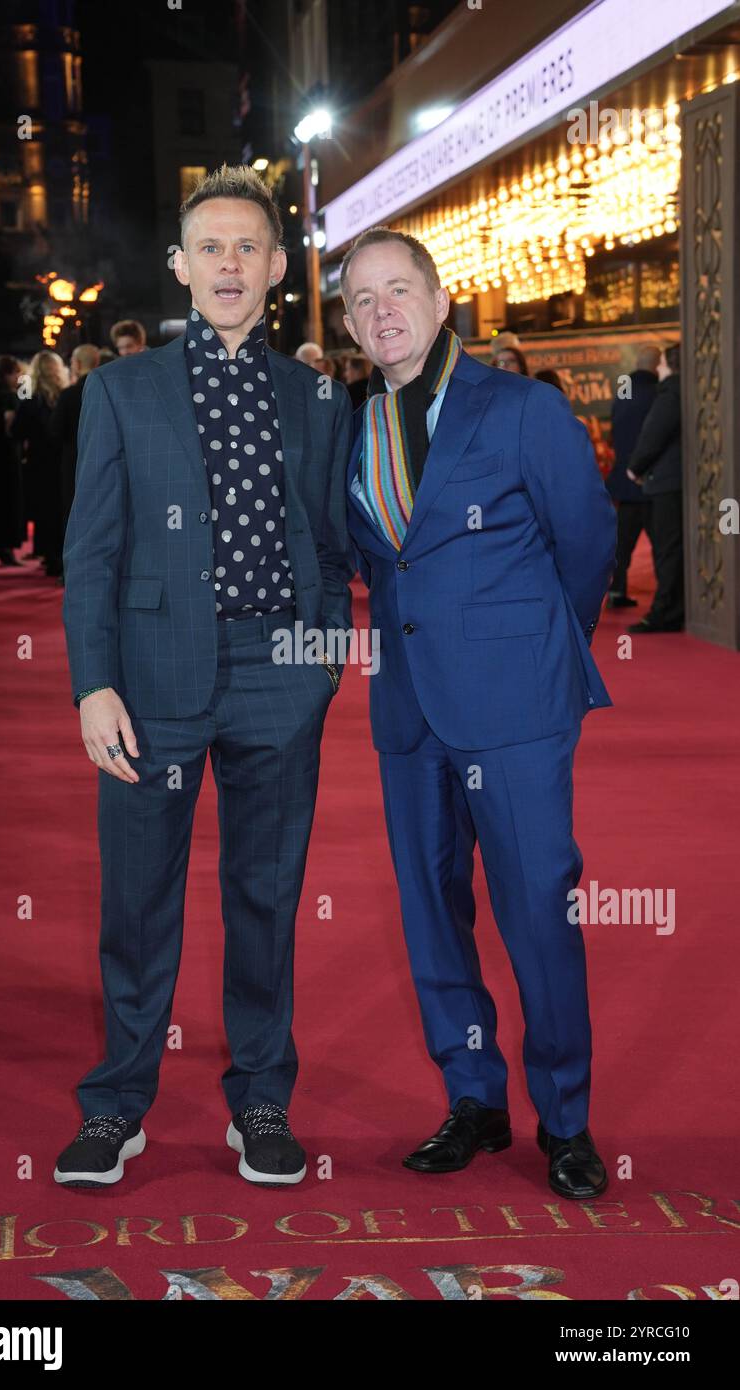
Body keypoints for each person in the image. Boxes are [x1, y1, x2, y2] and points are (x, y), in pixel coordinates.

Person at [56, 164, 353, 1191]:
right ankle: (116, 1105)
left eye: (248, 247)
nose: (230, 264)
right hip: (147, 683)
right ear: (180, 268)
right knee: (138, 900)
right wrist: (93, 683)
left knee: (266, 897)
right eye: (209, 248)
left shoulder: (317, 394)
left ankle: (261, 1097)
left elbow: (331, 535)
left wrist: (320, 655)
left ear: (278, 266)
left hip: (279, 673)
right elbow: (88, 552)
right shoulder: (119, 389)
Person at [341, 225, 616, 1199]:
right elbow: (378, 561)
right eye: (361, 299)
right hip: (408, 711)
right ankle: (473, 1097)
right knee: (431, 913)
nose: (382, 311)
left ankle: (567, 1119)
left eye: (397, 289)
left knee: (537, 911)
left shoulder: (520, 407)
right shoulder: (355, 424)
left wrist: (536, 649)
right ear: (347, 322)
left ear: (439, 297)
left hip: (515, 708)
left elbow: (586, 544)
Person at [627, 343, 683, 633]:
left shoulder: (671, 392)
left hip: (666, 482)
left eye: (661, 364)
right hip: (679, 481)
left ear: (669, 365)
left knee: (667, 548)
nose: (658, 370)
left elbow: (653, 434)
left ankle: (666, 611)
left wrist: (635, 467)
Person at [606, 345, 660, 609]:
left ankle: (617, 590)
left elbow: (614, 434)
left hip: (624, 482)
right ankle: (668, 599)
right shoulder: (658, 395)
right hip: (651, 481)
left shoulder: (623, 394)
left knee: (623, 543)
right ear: (657, 363)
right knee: (662, 544)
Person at [12, 349, 67, 577]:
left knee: (42, 508)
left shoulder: (28, 394)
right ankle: (57, 553)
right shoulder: (65, 393)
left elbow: (18, 429)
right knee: (59, 506)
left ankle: (46, 552)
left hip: (37, 458)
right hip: (60, 458)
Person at [50, 343, 100, 555]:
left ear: (77, 364)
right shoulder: (106, 389)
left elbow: (54, 432)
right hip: (102, 459)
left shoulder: (69, 395)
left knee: (72, 512)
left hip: (73, 461)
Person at [0, 354, 25, 566]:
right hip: (8, 454)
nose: (19, 376)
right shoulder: (8, 396)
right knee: (9, 501)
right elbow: (10, 424)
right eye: (16, 372)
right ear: (8, 374)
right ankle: (6, 548)